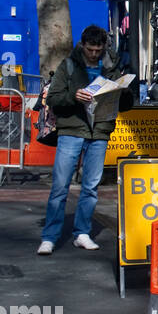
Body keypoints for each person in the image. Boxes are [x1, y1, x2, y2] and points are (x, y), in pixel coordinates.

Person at [38, 25, 134, 254]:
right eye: (90, 49)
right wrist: (74, 96)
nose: (93, 54)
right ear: (82, 45)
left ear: (104, 47)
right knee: (60, 186)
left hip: (99, 131)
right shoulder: (69, 65)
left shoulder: (112, 66)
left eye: (97, 50)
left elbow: (126, 105)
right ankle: (49, 236)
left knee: (90, 187)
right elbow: (53, 98)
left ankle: (82, 232)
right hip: (72, 130)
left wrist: (123, 91)